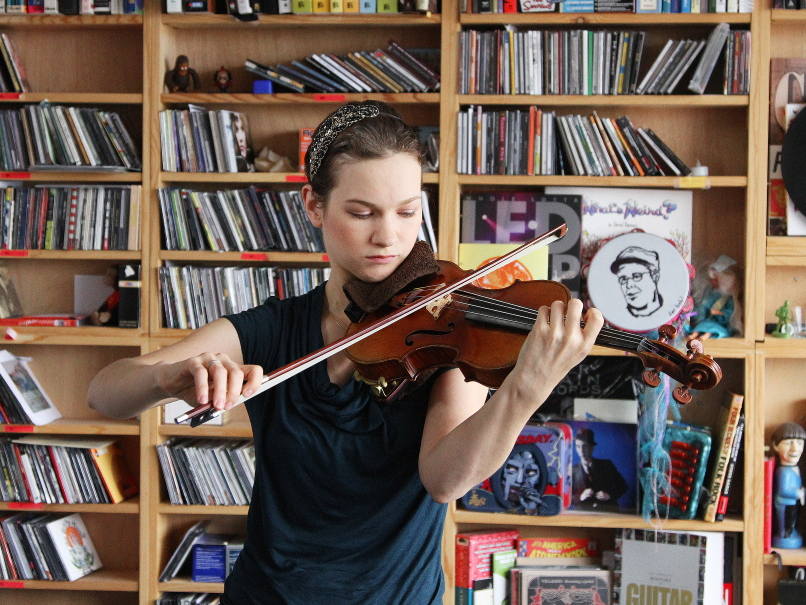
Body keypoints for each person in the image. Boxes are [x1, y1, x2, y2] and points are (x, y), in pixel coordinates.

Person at [86, 100, 603, 605]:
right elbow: (105, 393)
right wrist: (169, 377)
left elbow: (445, 480)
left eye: (408, 212)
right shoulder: (273, 329)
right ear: (314, 206)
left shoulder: (444, 329)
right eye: (362, 213)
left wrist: (525, 391)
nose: (389, 236)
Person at [572, 427, 628, 511]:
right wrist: (580, 497)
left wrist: (609, 495)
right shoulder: (573, 471)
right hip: (583, 516)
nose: (581, 451)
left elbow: (623, 486)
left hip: (608, 513)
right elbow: (566, 497)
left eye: (585, 446)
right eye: (578, 446)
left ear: (592, 447)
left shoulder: (606, 465)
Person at [772, 422, 806, 548]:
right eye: (788, 443)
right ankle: (785, 535)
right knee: (786, 521)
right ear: (775, 446)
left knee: (793, 520)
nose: (795, 449)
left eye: (799, 443)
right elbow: (783, 490)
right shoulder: (784, 472)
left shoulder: (793, 469)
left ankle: (791, 532)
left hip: (794, 502)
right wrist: (797, 492)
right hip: (785, 503)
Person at [610, 245, 663, 318]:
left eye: (636, 276)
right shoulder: (616, 316)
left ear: (655, 276)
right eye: (623, 279)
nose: (629, 285)